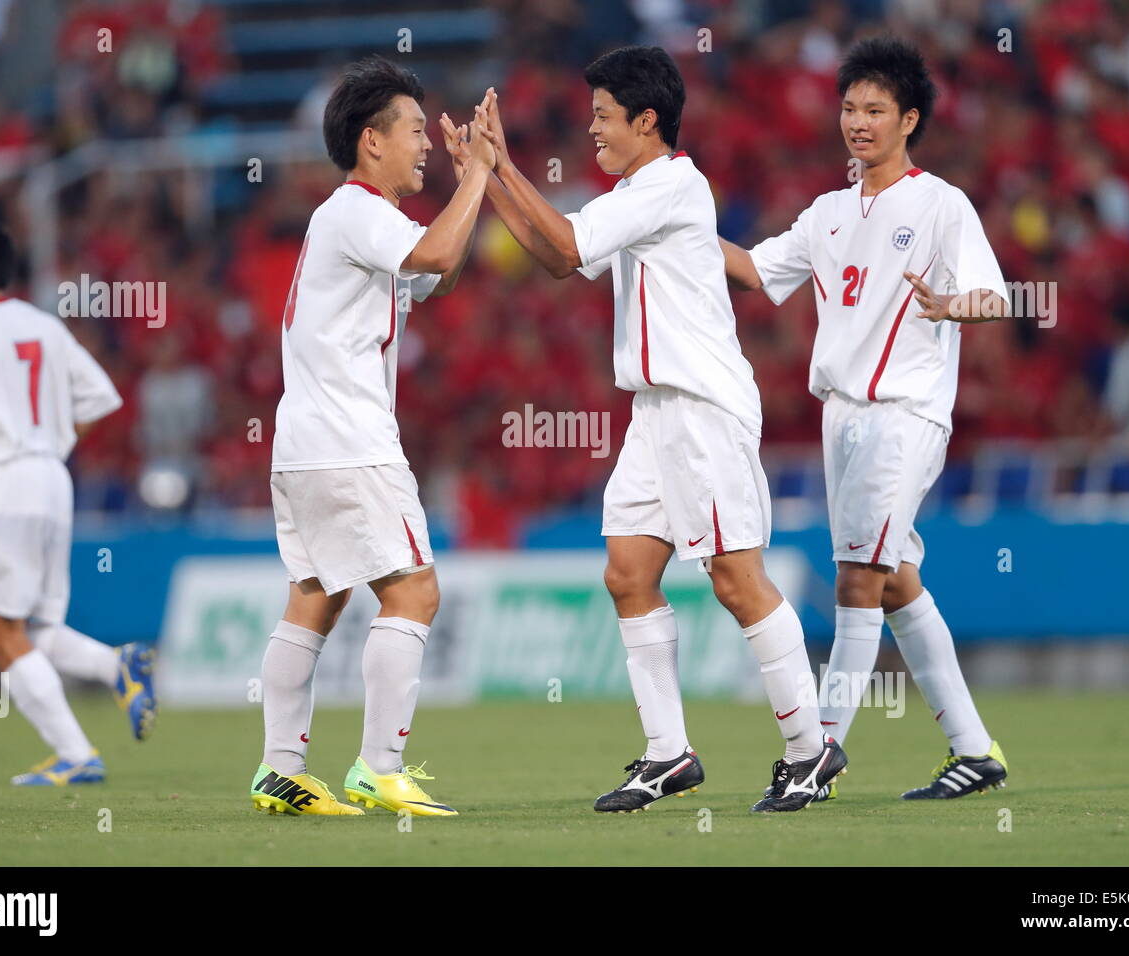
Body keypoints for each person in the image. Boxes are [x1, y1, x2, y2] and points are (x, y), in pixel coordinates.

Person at [462, 46, 844, 813]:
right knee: (628, 574)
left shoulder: (670, 184)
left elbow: (567, 247)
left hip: (701, 406)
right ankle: (669, 754)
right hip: (655, 411)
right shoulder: (643, 192)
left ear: (646, 121)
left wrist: (500, 165)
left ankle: (811, 750)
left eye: (604, 116)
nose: (592, 131)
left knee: (736, 581)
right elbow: (554, 258)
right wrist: (488, 174)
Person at [723, 36, 1011, 800]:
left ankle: (815, 759)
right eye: (850, 107)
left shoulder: (943, 205)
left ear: (908, 119)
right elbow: (754, 270)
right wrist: (678, 232)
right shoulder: (825, 213)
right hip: (840, 417)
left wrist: (953, 304)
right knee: (894, 581)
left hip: (906, 414)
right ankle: (975, 751)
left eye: (875, 110)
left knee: (857, 576)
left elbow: (998, 296)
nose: (858, 122)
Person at [252, 57, 495, 817]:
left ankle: (279, 770)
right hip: (349, 441)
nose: (427, 144)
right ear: (371, 142)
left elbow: (439, 273)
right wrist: (480, 175)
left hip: (306, 443)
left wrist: (468, 185)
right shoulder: (357, 211)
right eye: (417, 130)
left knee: (316, 600)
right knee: (416, 592)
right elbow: (435, 253)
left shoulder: (355, 221)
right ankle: (378, 765)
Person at [0, 211, 153, 786]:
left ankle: (76, 754)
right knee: (31, 625)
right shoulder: (42, 324)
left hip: (0, 480)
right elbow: (98, 397)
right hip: (50, 480)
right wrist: (50, 445)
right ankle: (118, 665)